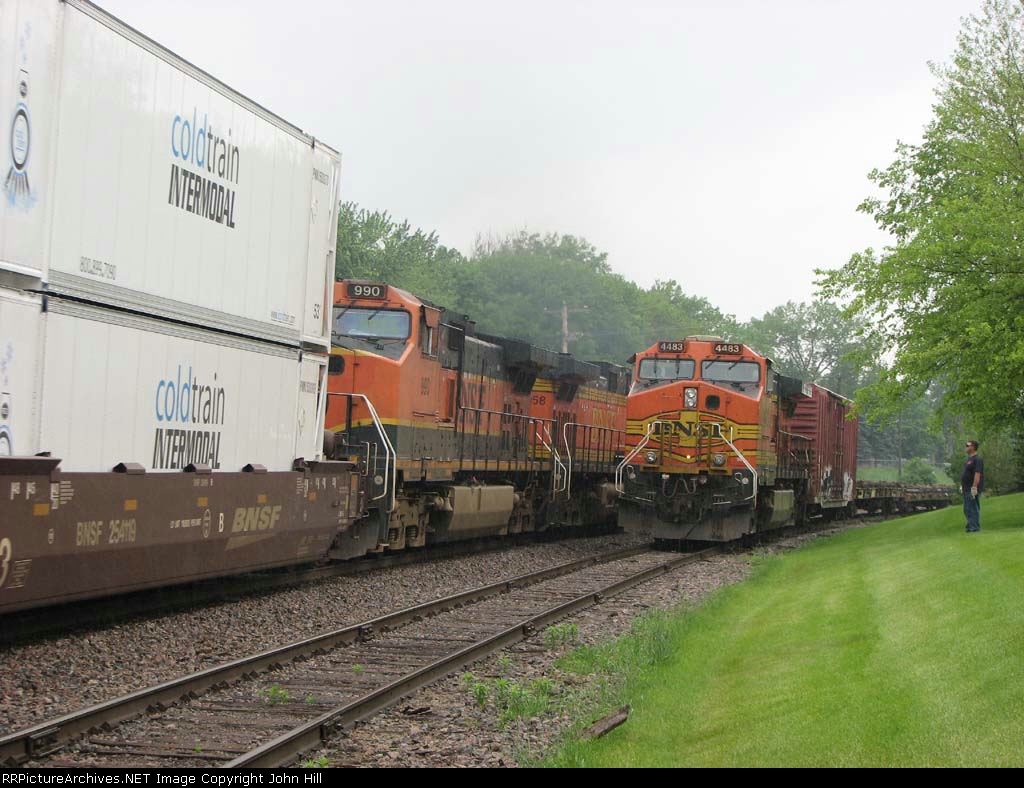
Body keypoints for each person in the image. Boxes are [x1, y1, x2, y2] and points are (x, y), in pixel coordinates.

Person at [961, 440, 984, 533]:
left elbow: (977, 474)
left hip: (972, 488)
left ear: (973, 447)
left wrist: (974, 487)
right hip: (966, 488)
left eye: (968, 445)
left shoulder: (977, 459)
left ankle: (975, 527)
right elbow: (965, 474)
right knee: (967, 509)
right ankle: (970, 526)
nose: (966, 447)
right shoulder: (968, 460)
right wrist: (961, 486)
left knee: (973, 508)